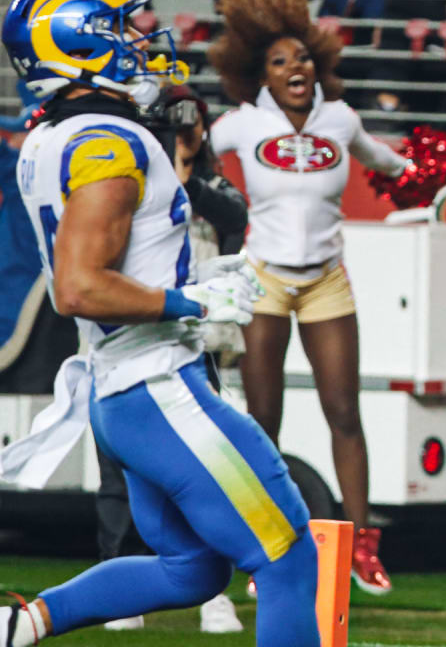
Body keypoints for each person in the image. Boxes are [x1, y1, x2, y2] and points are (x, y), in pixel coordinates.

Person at [0, 0, 319, 647]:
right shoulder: (108, 143)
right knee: (288, 556)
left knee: (191, 571)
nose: (140, 42)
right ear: (79, 43)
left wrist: (189, 281)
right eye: (120, 29)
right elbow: (79, 285)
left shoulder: (52, 138)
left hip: (124, 391)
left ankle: (21, 625)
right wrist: (193, 297)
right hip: (155, 387)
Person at [207, 0, 408, 596]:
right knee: (262, 417)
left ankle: (362, 546)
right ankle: (261, 547)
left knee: (343, 412)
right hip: (263, 278)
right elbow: (189, 161)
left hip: (326, 280)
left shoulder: (341, 119)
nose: (293, 67)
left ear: (316, 66)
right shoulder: (242, 124)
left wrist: (424, 171)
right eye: (278, 61)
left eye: (300, 58)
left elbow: (387, 162)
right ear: (260, 75)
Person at [95, 85, 250, 634]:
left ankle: (213, 591)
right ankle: (123, 583)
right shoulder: (123, 176)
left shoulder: (207, 184)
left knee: (200, 467)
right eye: (174, 120)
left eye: (194, 120)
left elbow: (235, 219)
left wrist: (184, 164)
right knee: (121, 473)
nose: (185, 127)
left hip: (192, 340)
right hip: (126, 339)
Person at [0, 89, 79, 394]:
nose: (14, 139)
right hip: (49, 319)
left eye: (22, 133)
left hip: (23, 318)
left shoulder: (24, 173)